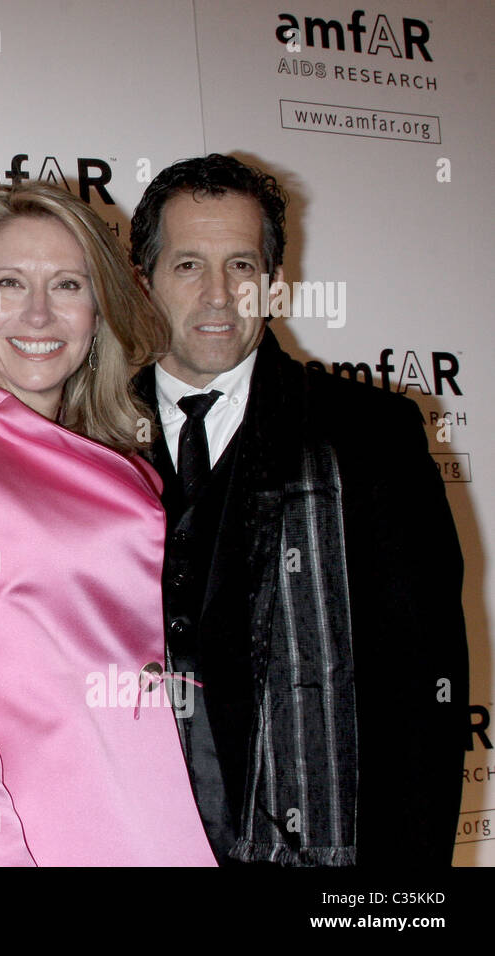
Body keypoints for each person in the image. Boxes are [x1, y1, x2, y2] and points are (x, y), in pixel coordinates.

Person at [0, 181, 215, 866]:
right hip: (33, 839)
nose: (40, 314)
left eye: (68, 285)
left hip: (149, 819)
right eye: (10, 284)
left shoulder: (129, 467)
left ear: (99, 307)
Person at [129, 153, 468, 865]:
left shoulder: (371, 435)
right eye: (189, 265)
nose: (218, 295)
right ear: (143, 281)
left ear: (274, 283)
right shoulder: (79, 438)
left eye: (242, 266)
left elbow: (421, 704)